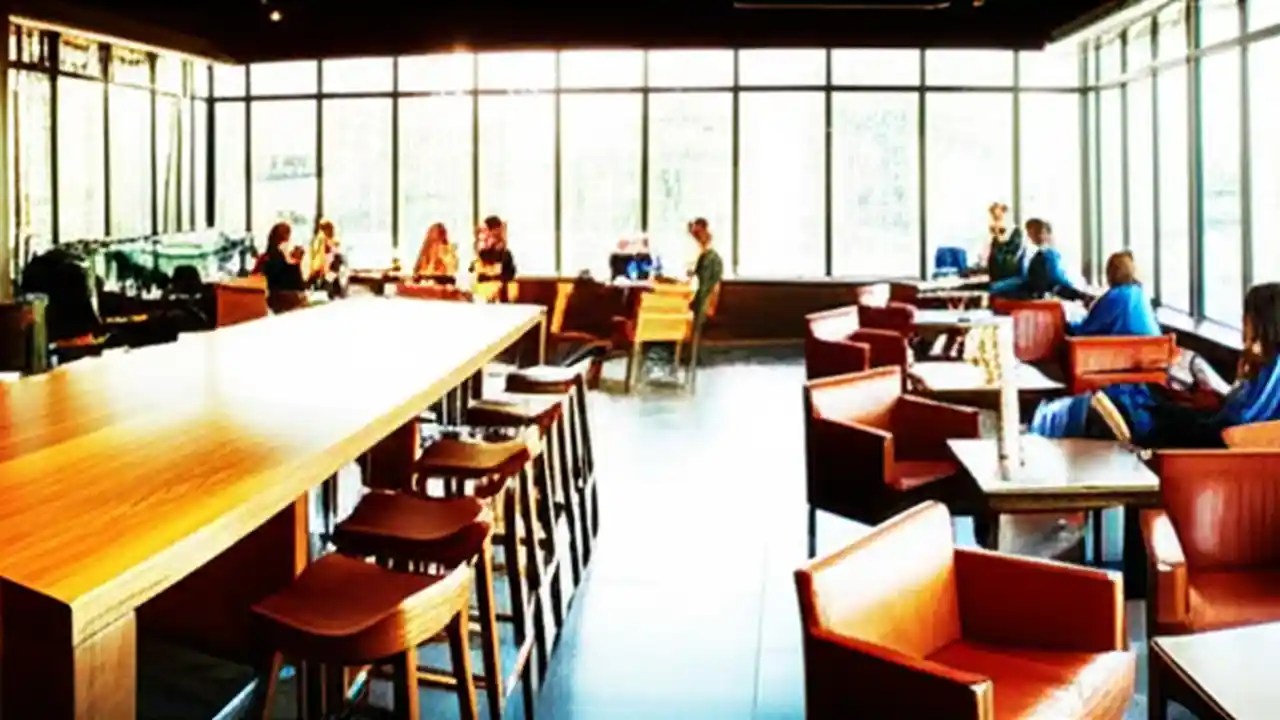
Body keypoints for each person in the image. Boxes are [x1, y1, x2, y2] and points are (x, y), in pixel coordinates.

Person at [1030, 282, 1280, 448]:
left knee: (1130, 405)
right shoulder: (1264, 366)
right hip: (1210, 427)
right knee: (1135, 398)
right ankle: (1045, 423)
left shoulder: (1269, 371)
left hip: (1206, 441)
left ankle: (1042, 425)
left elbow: (1237, 422)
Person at [991, 219, 1087, 301]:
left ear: (1047, 233)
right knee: (996, 287)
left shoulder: (1050, 253)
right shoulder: (1029, 250)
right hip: (1030, 284)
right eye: (1031, 232)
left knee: (998, 289)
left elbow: (1057, 277)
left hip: (1039, 287)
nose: (1033, 236)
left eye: (1038, 232)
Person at [1069, 250, 1160, 337]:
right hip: (1155, 348)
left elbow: (1085, 331)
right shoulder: (1141, 295)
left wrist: (1069, 325)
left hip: (1123, 350)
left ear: (1110, 274)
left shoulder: (1112, 297)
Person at [259, 221, 308, 313]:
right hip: (284, 300)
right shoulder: (276, 258)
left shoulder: (267, 257)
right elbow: (297, 285)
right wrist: (292, 261)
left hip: (276, 300)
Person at [470, 215, 517, 303]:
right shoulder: (483, 252)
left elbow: (501, 272)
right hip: (483, 291)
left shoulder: (505, 254)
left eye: (485, 230)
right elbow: (473, 270)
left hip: (501, 291)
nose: (483, 235)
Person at [688, 218, 723, 321]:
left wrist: (712, 302)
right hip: (698, 297)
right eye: (695, 235)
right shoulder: (701, 253)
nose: (697, 238)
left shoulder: (712, 257)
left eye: (698, 234)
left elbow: (715, 282)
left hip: (704, 298)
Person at [985, 202, 1027, 285]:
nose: (996, 219)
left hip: (1008, 271)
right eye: (994, 217)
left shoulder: (1015, 232)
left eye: (998, 217)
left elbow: (1011, 252)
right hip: (996, 272)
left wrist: (999, 235)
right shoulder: (996, 233)